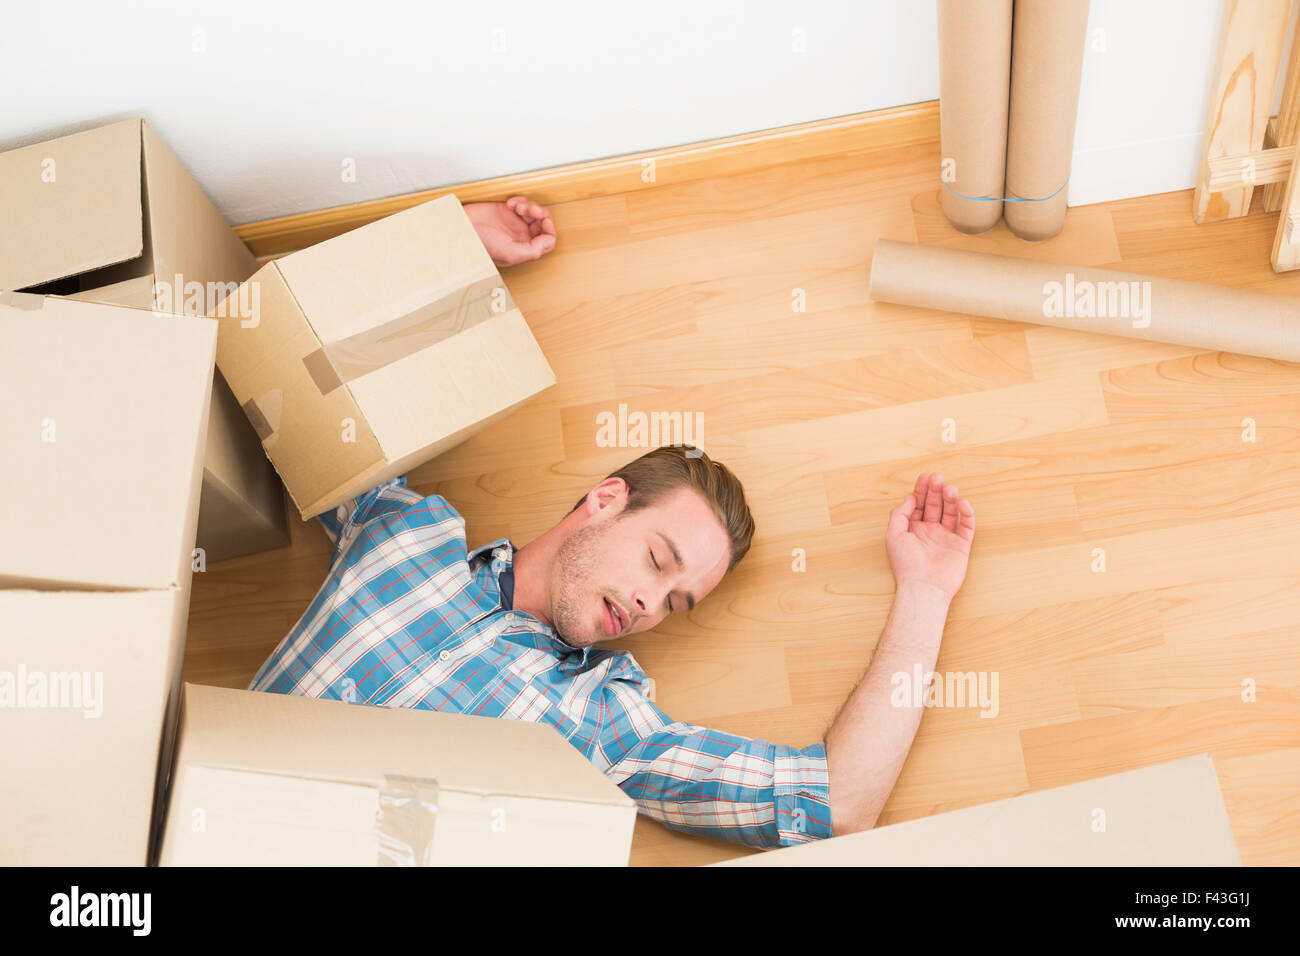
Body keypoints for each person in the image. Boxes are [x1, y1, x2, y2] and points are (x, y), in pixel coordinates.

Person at [249, 199, 977, 849]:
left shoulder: (601, 723)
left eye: (676, 603)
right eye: (659, 563)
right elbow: (289, 350)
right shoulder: (404, 532)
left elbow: (836, 805)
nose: (648, 607)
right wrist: (455, 250)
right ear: (604, 501)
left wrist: (926, 591)